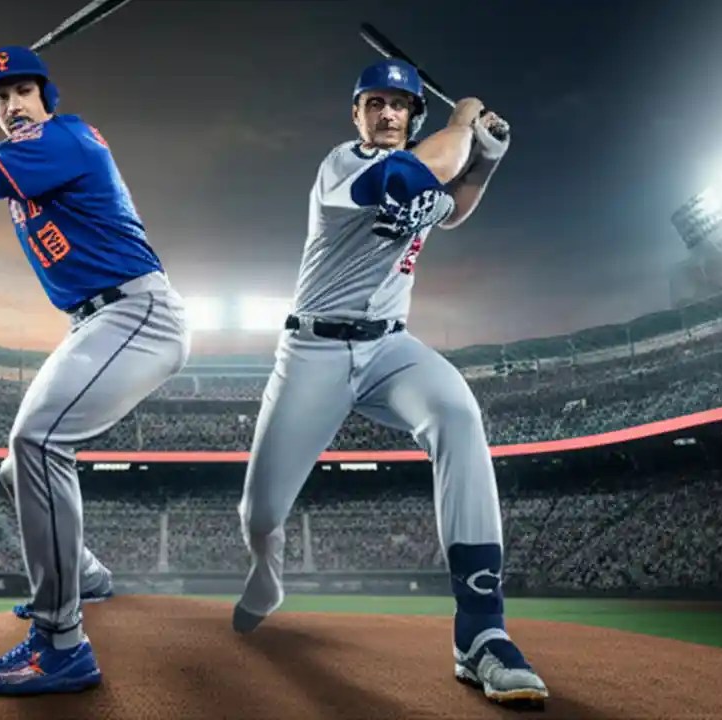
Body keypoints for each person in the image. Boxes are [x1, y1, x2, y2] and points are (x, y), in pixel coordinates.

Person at [230, 59, 548, 705]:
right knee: (261, 513)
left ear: (411, 115)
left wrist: (485, 158)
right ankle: (268, 573)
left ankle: (481, 633)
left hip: (390, 349)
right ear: (356, 114)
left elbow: (449, 208)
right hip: (313, 352)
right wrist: (464, 118)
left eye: (399, 104)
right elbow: (425, 174)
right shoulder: (344, 165)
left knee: (459, 416)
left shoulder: (425, 157)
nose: (385, 113)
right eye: (373, 102)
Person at [0, 45, 190, 696]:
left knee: (37, 441)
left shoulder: (65, 137)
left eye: (22, 91)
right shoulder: (26, 152)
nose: (10, 103)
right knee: (19, 465)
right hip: (95, 321)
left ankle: (61, 644)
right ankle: (85, 575)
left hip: (137, 313)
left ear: (47, 97)